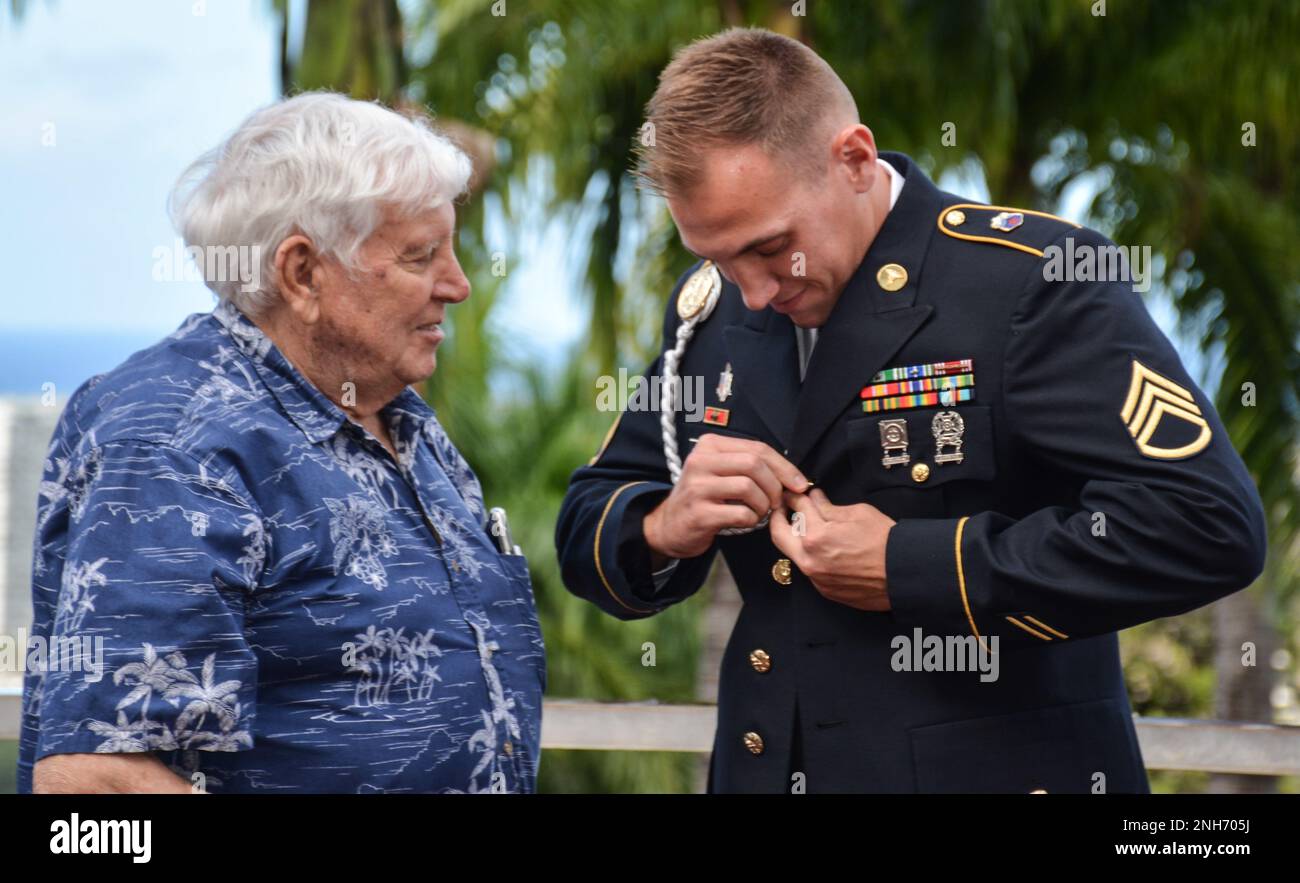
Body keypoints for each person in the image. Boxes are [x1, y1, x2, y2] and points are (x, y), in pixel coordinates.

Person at [554, 28, 1266, 793]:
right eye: (719, 259)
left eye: (770, 248)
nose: (753, 291)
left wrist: (911, 566)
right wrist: (668, 524)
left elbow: (1207, 524)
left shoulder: (1030, 285)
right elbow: (588, 521)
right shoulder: (712, 309)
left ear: (855, 160)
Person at [20, 92, 544, 794]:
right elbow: (95, 783)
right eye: (421, 255)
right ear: (302, 273)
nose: (459, 283)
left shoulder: (392, 412)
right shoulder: (178, 438)